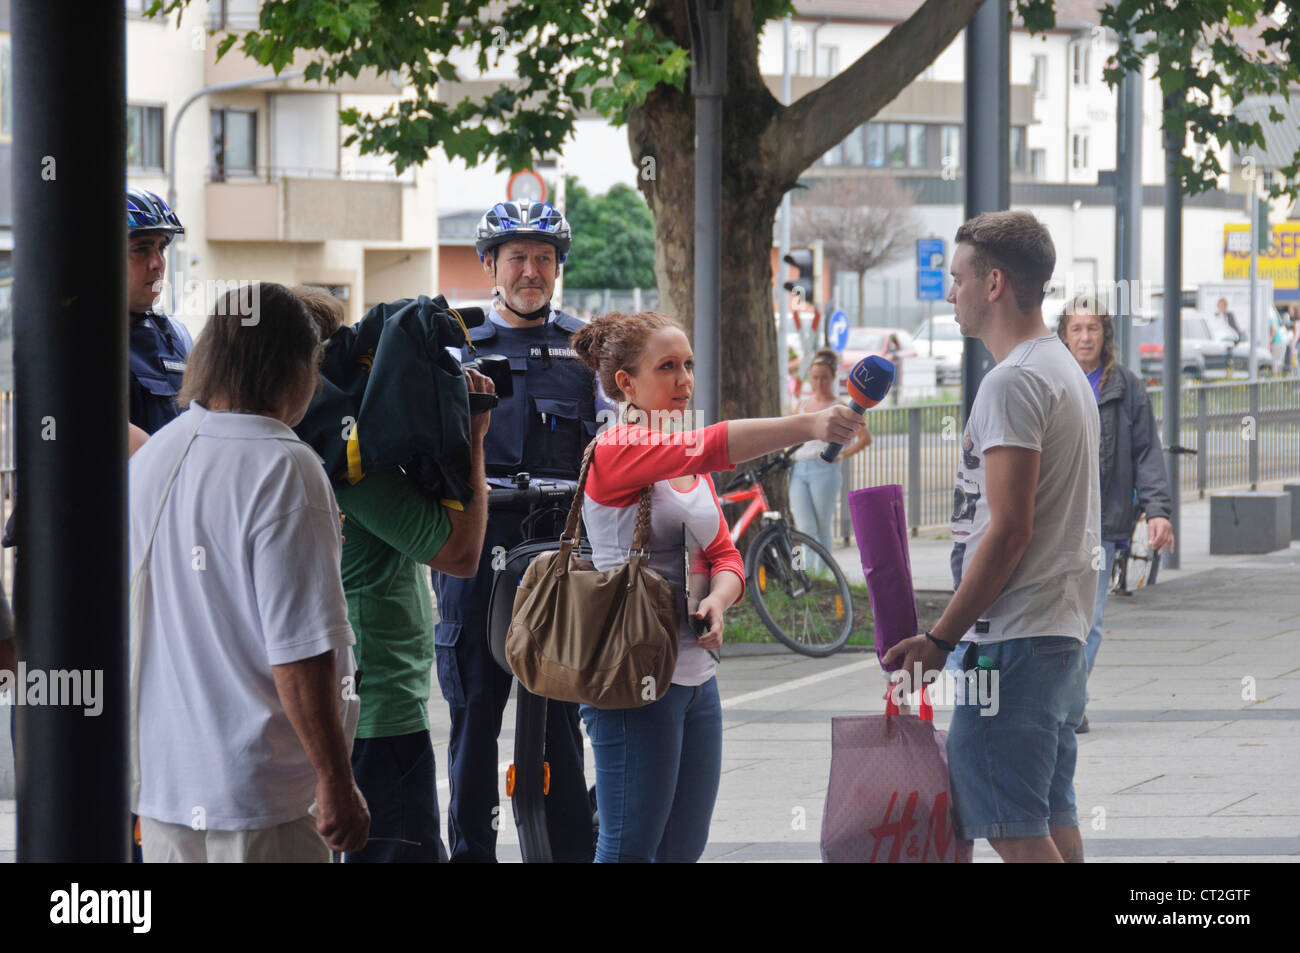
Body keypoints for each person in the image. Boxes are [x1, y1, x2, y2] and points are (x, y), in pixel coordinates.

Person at [571, 311, 864, 862]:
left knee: (683, 848)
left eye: (688, 365)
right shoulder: (618, 449)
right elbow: (710, 445)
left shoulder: (685, 457)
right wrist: (807, 424)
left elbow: (725, 554)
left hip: (696, 679)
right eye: (667, 367)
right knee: (628, 847)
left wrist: (719, 599)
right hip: (633, 680)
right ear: (625, 384)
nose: (685, 380)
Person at [884, 210, 1100, 863]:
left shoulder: (1012, 381)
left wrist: (941, 637)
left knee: (1010, 823)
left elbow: (1007, 531)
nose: (950, 292)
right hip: (1057, 633)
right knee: (1046, 814)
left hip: (1012, 639)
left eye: (958, 278)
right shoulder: (1060, 367)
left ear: (995, 282)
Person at [129, 282, 369, 862]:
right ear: (292, 367)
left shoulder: (156, 455)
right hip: (265, 801)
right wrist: (335, 780)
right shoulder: (284, 465)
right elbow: (300, 648)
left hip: (166, 792)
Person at [293, 287, 493, 863]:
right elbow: (460, 553)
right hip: (377, 706)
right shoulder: (352, 472)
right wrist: (471, 439)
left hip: (345, 696)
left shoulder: (305, 447)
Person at [433, 200, 602, 863]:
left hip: (559, 565)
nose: (531, 271)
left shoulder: (587, 348)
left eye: (543, 258)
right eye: (516, 259)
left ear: (558, 267)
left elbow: (614, 441)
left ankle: (565, 853)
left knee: (560, 724)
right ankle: (472, 852)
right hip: (476, 561)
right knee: (475, 718)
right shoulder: (456, 344)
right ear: (489, 265)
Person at [1058, 298, 1173, 732]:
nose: (1085, 337)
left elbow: (1147, 452)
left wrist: (1158, 510)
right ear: (1064, 335)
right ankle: (1065, 706)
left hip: (1102, 524)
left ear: (1105, 335)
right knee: (1056, 620)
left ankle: (1069, 708)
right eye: (1077, 329)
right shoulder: (1051, 380)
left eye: (1093, 329)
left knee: (1091, 620)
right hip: (1052, 523)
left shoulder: (1124, 386)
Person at [788, 348, 872, 573]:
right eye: (815, 378)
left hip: (824, 467)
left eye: (824, 377)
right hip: (799, 467)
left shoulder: (842, 406)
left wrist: (842, 454)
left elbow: (865, 438)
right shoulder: (802, 405)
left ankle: (824, 573)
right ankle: (806, 572)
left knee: (822, 524)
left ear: (833, 378)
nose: (819, 382)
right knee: (804, 525)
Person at [127, 188, 193, 435]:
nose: (157, 263)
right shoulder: (69, 343)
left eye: (161, 248)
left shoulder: (177, 336)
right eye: (141, 248)